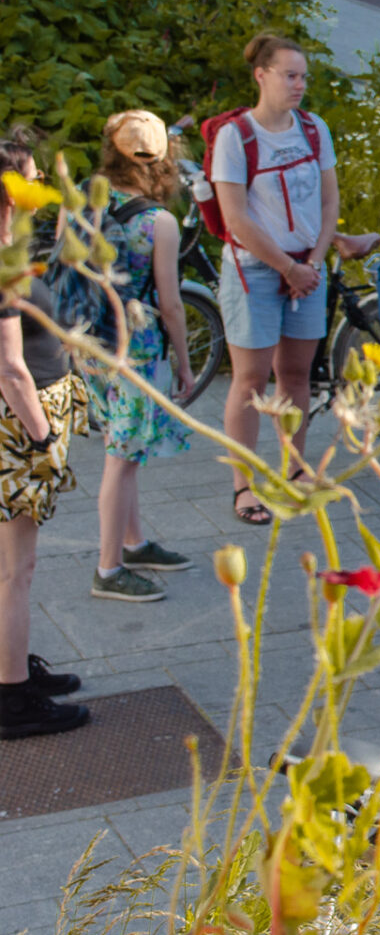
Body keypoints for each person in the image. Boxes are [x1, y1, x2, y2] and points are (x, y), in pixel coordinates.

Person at [210, 33, 338, 526]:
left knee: (297, 375)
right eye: (290, 75)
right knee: (250, 379)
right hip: (256, 271)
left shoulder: (313, 129)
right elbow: (236, 218)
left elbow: (329, 201)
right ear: (261, 75)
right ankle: (243, 485)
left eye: (303, 76)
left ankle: (295, 468)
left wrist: (314, 264)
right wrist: (288, 268)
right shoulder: (236, 136)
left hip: (307, 269)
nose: (299, 85)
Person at [0, 141, 92, 739]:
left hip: (26, 414)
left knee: (13, 565)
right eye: (32, 181)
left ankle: (11, 667)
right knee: (17, 568)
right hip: (19, 424)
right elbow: (10, 368)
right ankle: (12, 700)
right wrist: (40, 437)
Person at [87, 111, 195, 603]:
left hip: (90, 344)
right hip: (136, 351)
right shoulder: (159, 222)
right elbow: (170, 305)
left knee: (120, 448)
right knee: (122, 459)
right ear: (162, 161)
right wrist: (185, 364)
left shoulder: (88, 198)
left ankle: (132, 545)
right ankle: (108, 569)